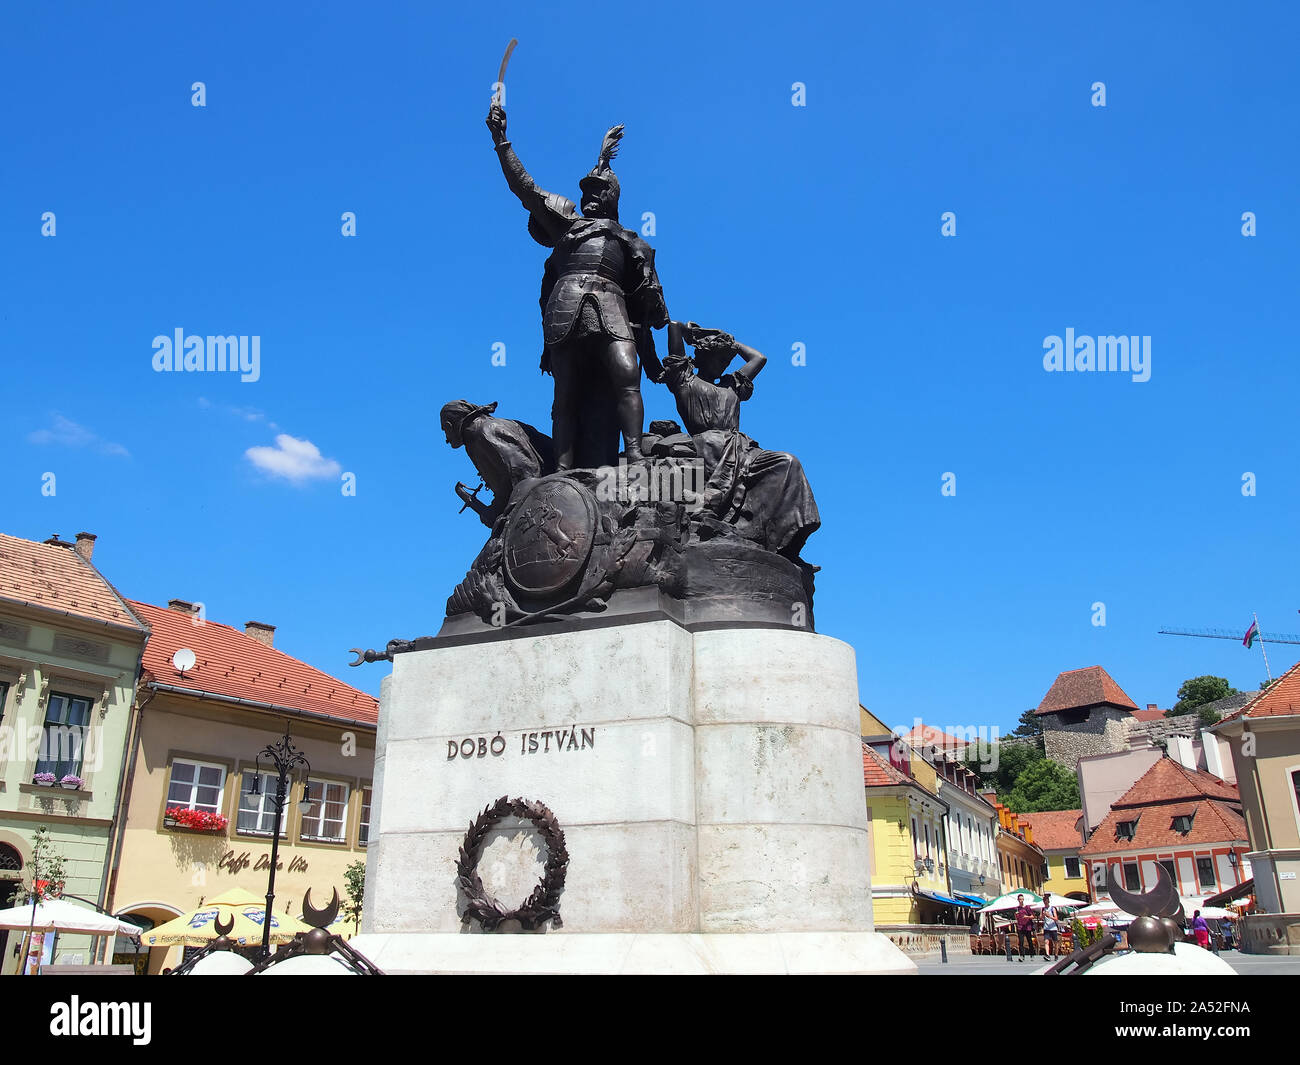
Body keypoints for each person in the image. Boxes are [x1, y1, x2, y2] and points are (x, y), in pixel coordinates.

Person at [487, 104, 669, 470]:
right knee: (564, 395)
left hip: (613, 309)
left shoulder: (632, 240)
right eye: (586, 191)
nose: (590, 196)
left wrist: (651, 305)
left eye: (599, 191)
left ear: (612, 197)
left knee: (627, 377)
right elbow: (526, 190)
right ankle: (564, 470)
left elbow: (652, 305)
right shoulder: (566, 227)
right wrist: (501, 140)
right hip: (566, 307)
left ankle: (633, 456)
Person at [641, 321, 821, 562]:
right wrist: (693, 332)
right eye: (719, 360)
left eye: (726, 362)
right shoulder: (685, 381)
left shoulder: (732, 385)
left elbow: (759, 358)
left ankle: (786, 542)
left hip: (741, 449)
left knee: (788, 462)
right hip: (708, 448)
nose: (723, 366)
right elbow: (673, 327)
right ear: (703, 357)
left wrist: (730, 343)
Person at [1012, 894, 1036, 961]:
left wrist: (1027, 917)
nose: (1021, 900)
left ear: (1023, 899)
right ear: (1018, 900)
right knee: (1021, 942)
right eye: (1020, 899)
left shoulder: (1027, 907)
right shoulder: (1017, 908)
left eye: (1022, 899)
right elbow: (1016, 917)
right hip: (1020, 927)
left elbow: (1033, 916)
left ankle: (1032, 955)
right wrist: (1016, 916)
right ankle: (1022, 956)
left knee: (1029, 941)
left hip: (1027, 926)